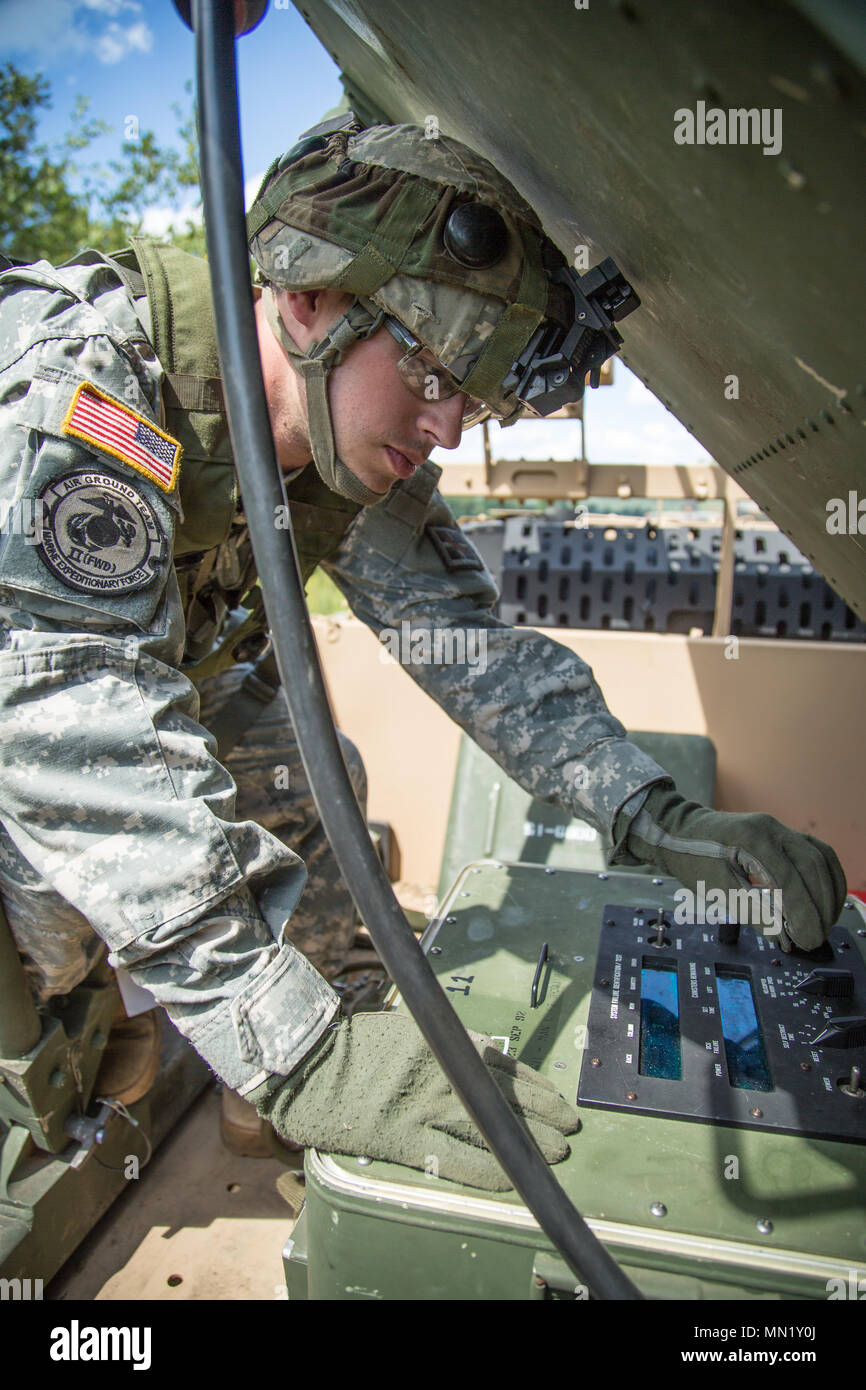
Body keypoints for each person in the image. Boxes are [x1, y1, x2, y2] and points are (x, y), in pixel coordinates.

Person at [0, 118, 846, 1189]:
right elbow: (70, 723)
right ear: (307, 300)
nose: (446, 428)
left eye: (470, 397)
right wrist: (306, 1056)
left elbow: (467, 648)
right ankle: (123, 1055)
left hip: (173, 680)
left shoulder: (347, 438)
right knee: (56, 928)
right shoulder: (84, 386)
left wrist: (649, 812)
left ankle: (289, 1095)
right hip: (33, 711)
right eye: (434, 371)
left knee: (319, 776)